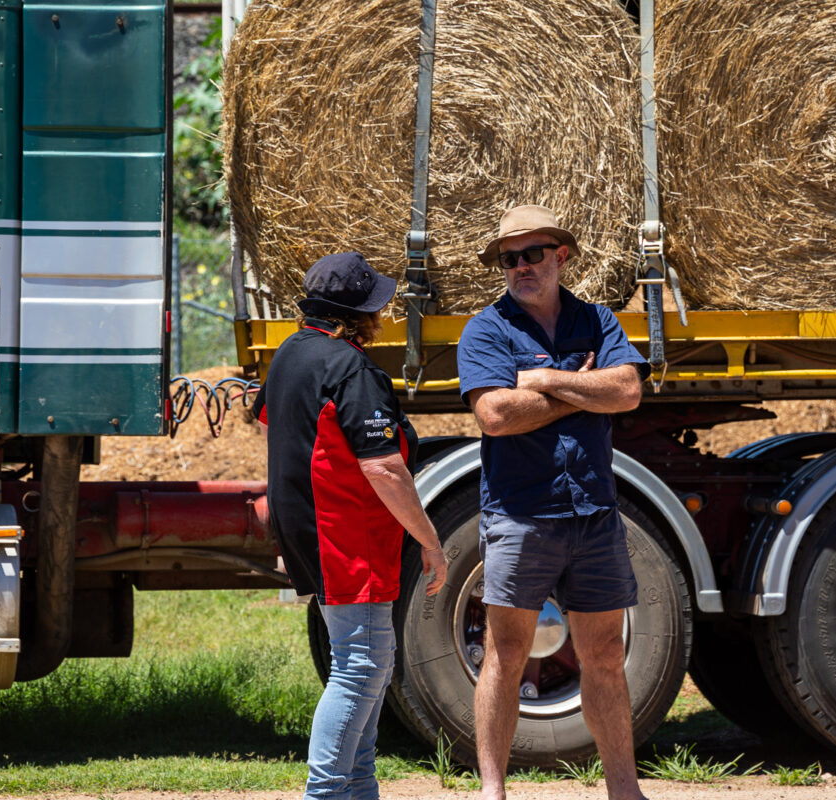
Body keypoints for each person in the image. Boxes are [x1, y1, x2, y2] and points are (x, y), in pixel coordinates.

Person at [456, 205, 651, 800]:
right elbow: (494, 415)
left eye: (532, 254)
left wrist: (538, 381)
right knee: (505, 654)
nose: (520, 267)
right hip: (519, 515)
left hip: (592, 512)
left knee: (605, 654)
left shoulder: (596, 321)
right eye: (509, 259)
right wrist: (577, 390)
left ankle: (623, 789)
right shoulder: (486, 330)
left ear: (560, 256)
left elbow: (627, 391)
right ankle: (493, 791)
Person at [252, 251, 448, 800]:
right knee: (361, 669)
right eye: (377, 305)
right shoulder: (350, 366)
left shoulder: (291, 352)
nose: (384, 311)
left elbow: (270, 417)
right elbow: (384, 466)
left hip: (312, 528)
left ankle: (358, 791)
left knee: (366, 668)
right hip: (346, 536)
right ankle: (325, 792)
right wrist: (431, 542)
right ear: (357, 313)